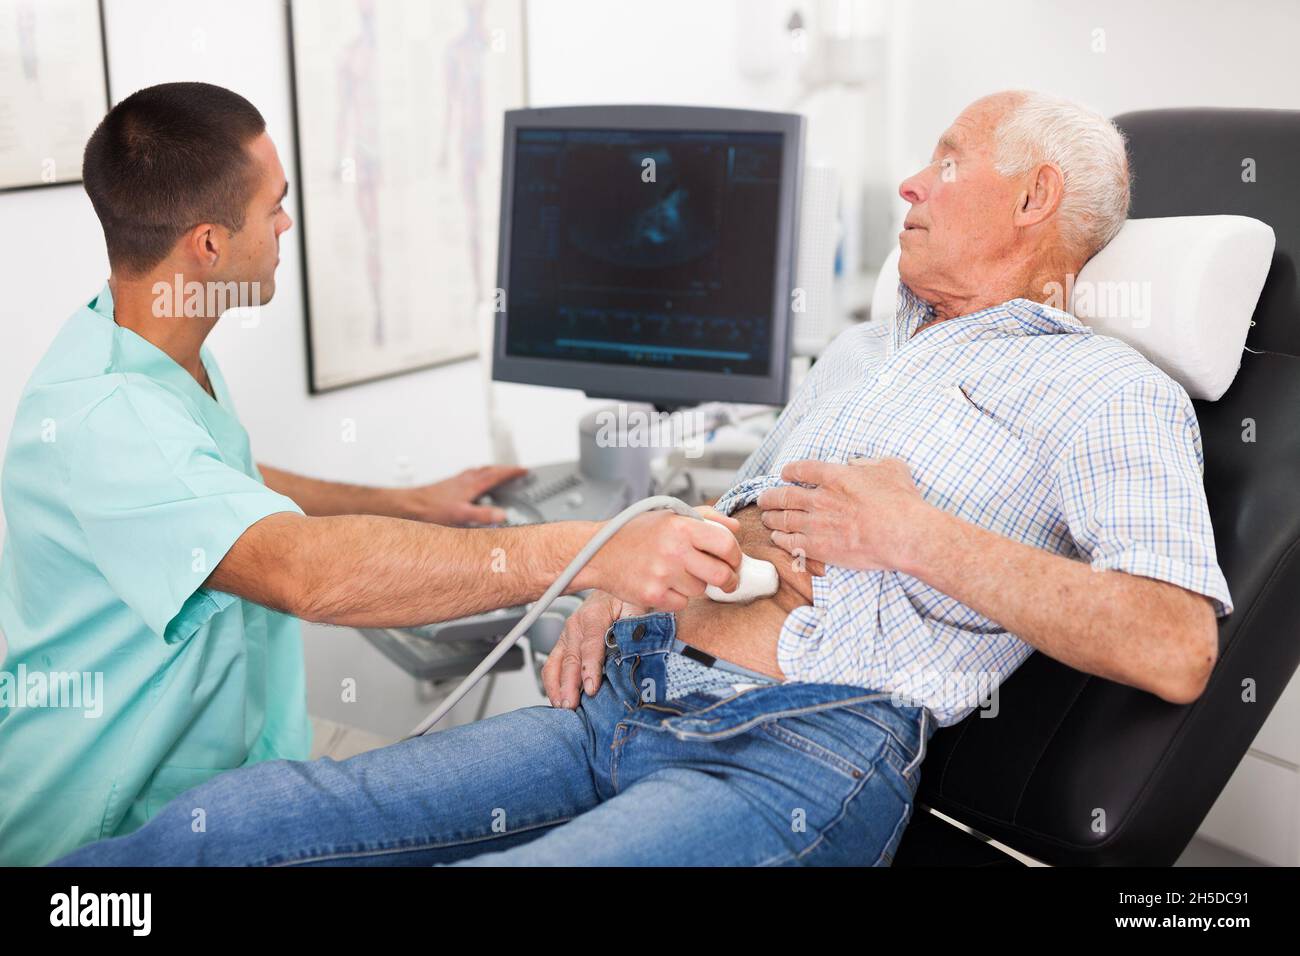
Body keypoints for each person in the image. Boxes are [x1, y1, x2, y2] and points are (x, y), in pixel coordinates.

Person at [55, 90, 1230, 867]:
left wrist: (923, 536)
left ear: (1033, 201)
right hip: (631, 686)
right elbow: (737, 514)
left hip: (802, 742)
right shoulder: (867, 348)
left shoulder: (1104, 390)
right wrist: (628, 581)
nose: (912, 187)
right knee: (256, 819)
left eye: (946, 162)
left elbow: (1176, 644)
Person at [0, 83, 741, 866]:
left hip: (235, 767)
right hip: (110, 832)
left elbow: (213, 480)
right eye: (274, 207)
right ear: (209, 246)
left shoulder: (143, 342)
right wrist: (593, 553)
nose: (287, 226)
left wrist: (405, 503)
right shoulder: (109, 420)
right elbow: (302, 574)